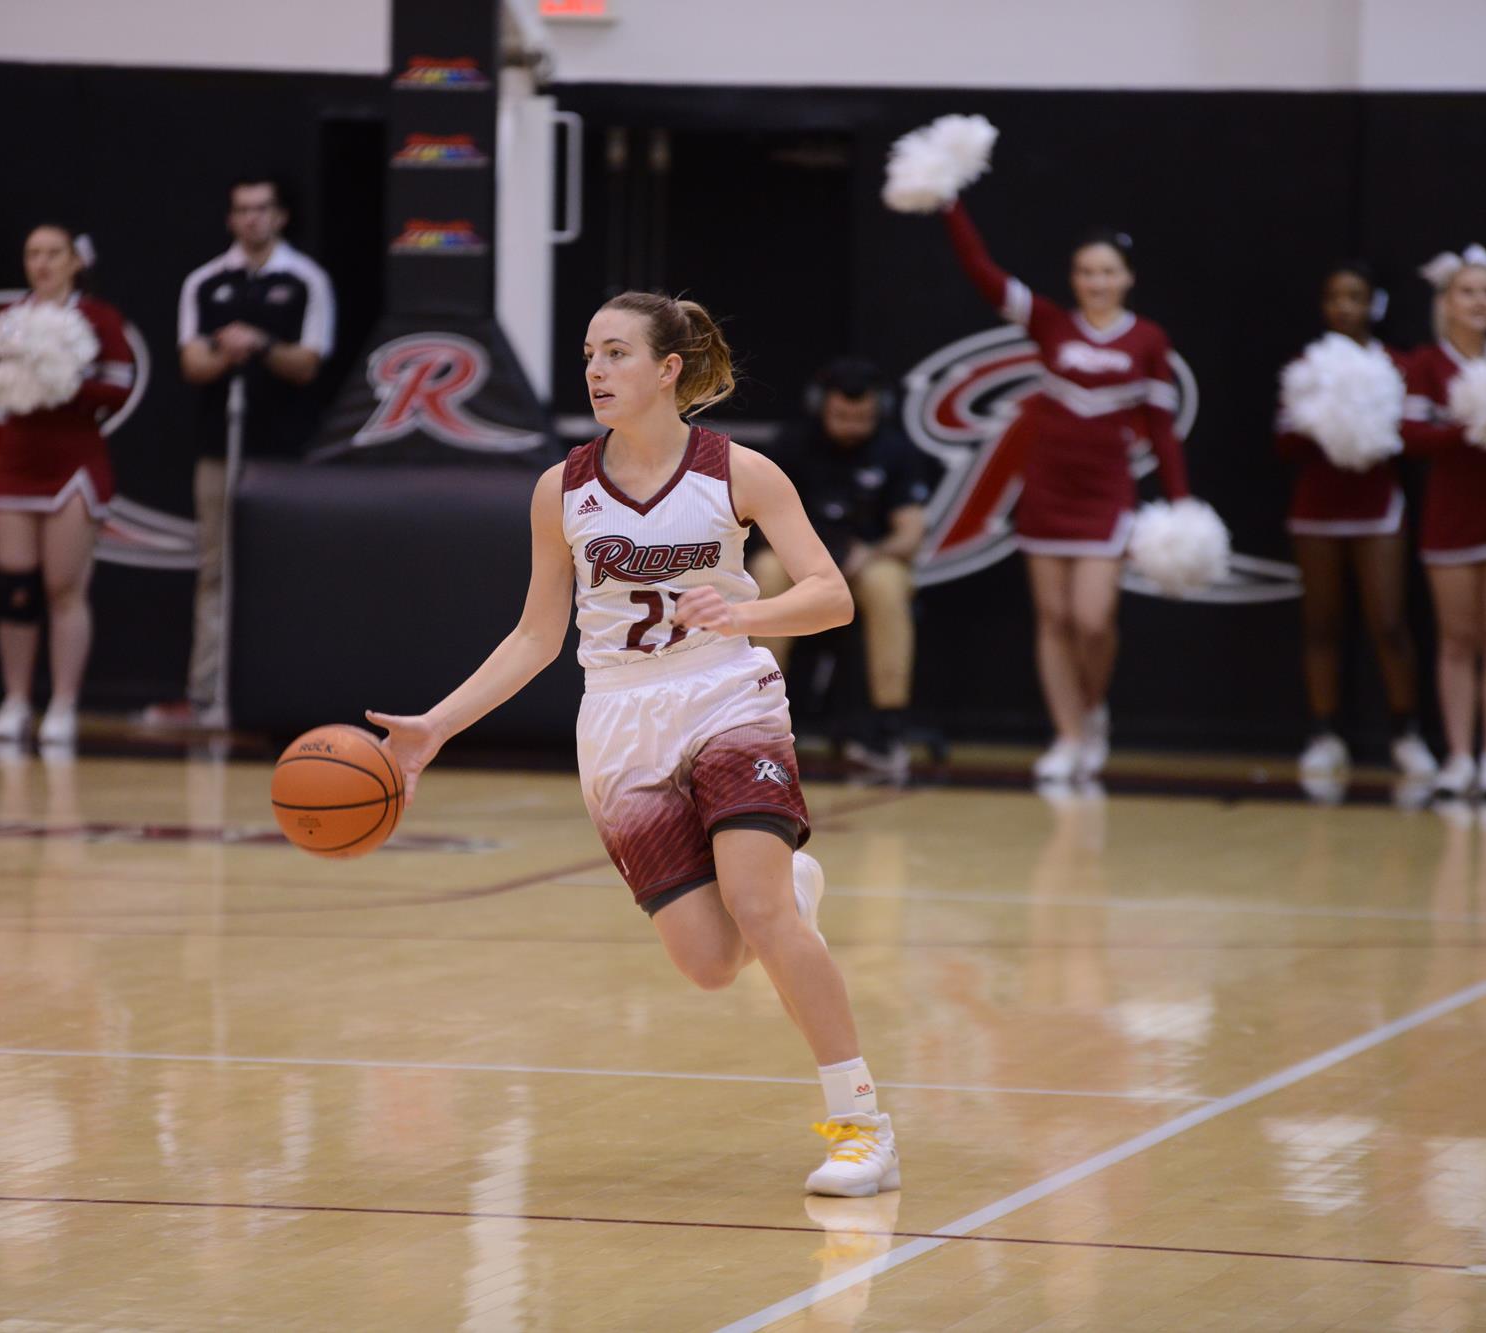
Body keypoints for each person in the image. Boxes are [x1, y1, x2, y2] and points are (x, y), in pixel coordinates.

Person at [368, 291, 901, 1198]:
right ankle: (792, 886)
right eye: (589, 354)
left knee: (759, 906)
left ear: (668, 370)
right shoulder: (562, 489)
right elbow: (536, 636)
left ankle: (861, 1128)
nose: (596, 370)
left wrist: (744, 613)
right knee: (709, 963)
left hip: (727, 693)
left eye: (616, 353)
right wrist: (435, 726)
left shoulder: (739, 471)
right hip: (619, 717)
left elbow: (832, 595)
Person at [939, 199, 1195, 781]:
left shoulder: (1148, 339)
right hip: (1047, 491)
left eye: (1107, 272)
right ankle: (1068, 735)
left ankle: (1092, 709)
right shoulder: (1051, 323)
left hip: (1106, 495)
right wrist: (950, 205)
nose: (1096, 282)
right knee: (1053, 619)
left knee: (1092, 620)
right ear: (1074, 278)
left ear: (1127, 278)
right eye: (1085, 272)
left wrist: (1181, 503)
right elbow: (984, 273)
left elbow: (1162, 429)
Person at [151, 176, 335, 729]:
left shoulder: (305, 281)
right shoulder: (206, 282)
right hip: (218, 451)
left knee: (281, 570)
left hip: (283, 455)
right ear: (231, 218)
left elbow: (307, 363)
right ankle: (207, 693)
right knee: (215, 567)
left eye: (262, 208)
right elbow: (192, 363)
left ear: (280, 215)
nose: (252, 218)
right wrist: (226, 350)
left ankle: (282, 692)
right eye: (242, 209)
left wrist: (260, 344)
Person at [0, 226, 137, 748]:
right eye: (33, 254)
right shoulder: (9, 319)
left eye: (53, 253)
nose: (42, 263)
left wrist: (64, 384)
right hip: (17, 464)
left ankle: (63, 704)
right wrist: (12, 379)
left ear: (75, 261)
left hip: (74, 465)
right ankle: (16, 700)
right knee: (14, 589)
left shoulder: (99, 318)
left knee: (64, 588)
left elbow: (120, 385)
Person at [1276, 263, 1435, 784]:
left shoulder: (1396, 364)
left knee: (1388, 623)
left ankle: (1406, 734)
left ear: (1374, 303)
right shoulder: (1307, 364)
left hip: (1377, 509)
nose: (1344, 306)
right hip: (1316, 511)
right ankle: (1324, 734)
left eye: (1355, 296)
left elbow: (1411, 437)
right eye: (1335, 296)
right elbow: (1284, 442)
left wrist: (1368, 427)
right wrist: (1323, 423)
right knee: (1321, 623)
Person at [749, 357, 932, 779]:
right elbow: (757, 521)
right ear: (821, 407)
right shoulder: (791, 445)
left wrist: (870, 553)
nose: (852, 426)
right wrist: (813, 558)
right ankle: (761, 712)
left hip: (865, 561)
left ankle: (887, 726)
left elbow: (910, 534)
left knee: (888, 583)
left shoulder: (896, 451)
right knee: (767, 570)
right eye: (842, 416)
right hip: (798, 559)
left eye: (862, 418)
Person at [1399, 247, 1486, 800]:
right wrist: (1470, 425)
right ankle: (1458, 756)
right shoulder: (1426, 363)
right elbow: (1411, 438)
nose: (1481, 301)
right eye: (1469, 291)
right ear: (1447, 302)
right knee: (1456, 638)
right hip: (1448, 514)